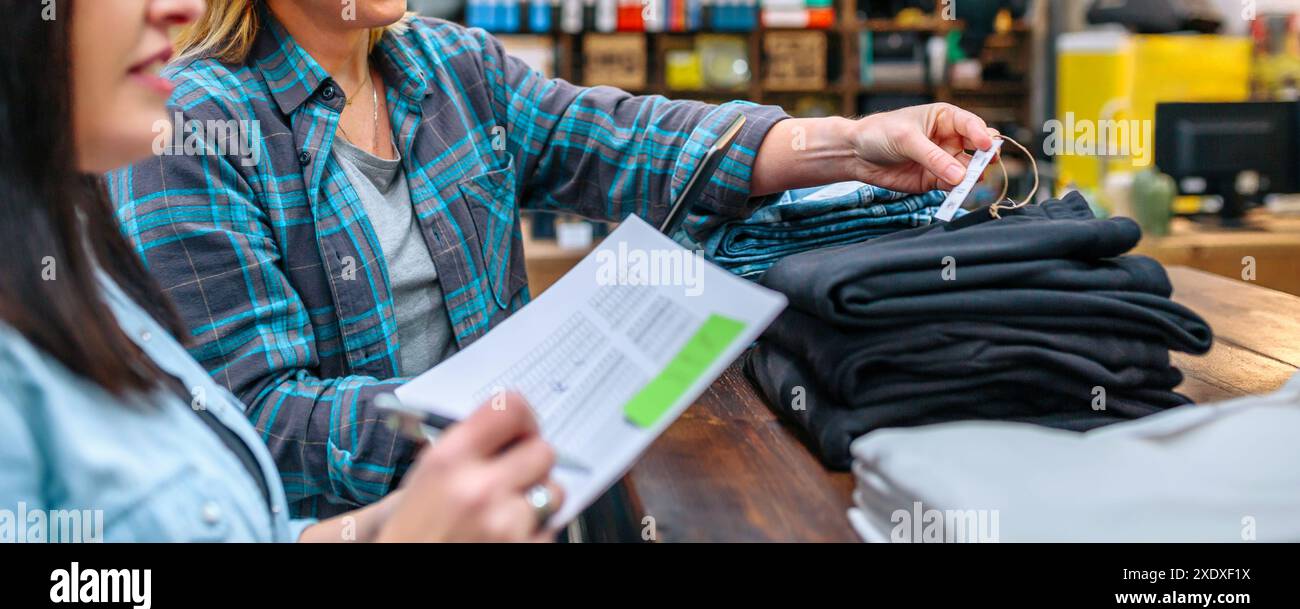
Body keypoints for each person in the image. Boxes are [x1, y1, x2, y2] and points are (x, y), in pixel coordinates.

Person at [109, 0, 997, 518]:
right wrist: (485, 420)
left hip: (521, 505)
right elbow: (253, 418)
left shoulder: (447, 66)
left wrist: (847, 143)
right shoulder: (190, 127)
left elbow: (626, 140)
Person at [0, 0, 562, 543]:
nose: (180, 8)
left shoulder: (80, 272)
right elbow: (261, 411)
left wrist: (381, 530)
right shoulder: (191, 126)